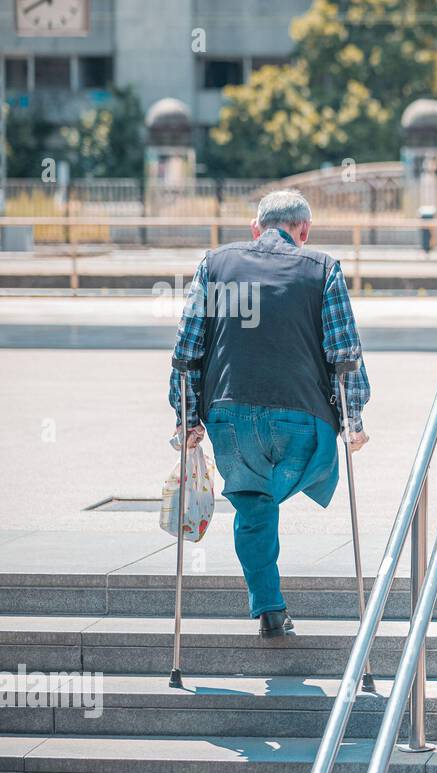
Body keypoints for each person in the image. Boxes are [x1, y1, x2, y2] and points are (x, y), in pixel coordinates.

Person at [168, 189, 371, 638]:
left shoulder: (214, 265)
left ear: (254, 230)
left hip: (228, 414)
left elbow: (187, 350)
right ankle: (279, 488)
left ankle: (269, 608)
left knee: (251, 502)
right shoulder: (323, 269)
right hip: (303, 416)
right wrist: (353, 420)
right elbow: (344, 353)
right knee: (319, 466)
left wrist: (185, 419)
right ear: (304, 231)